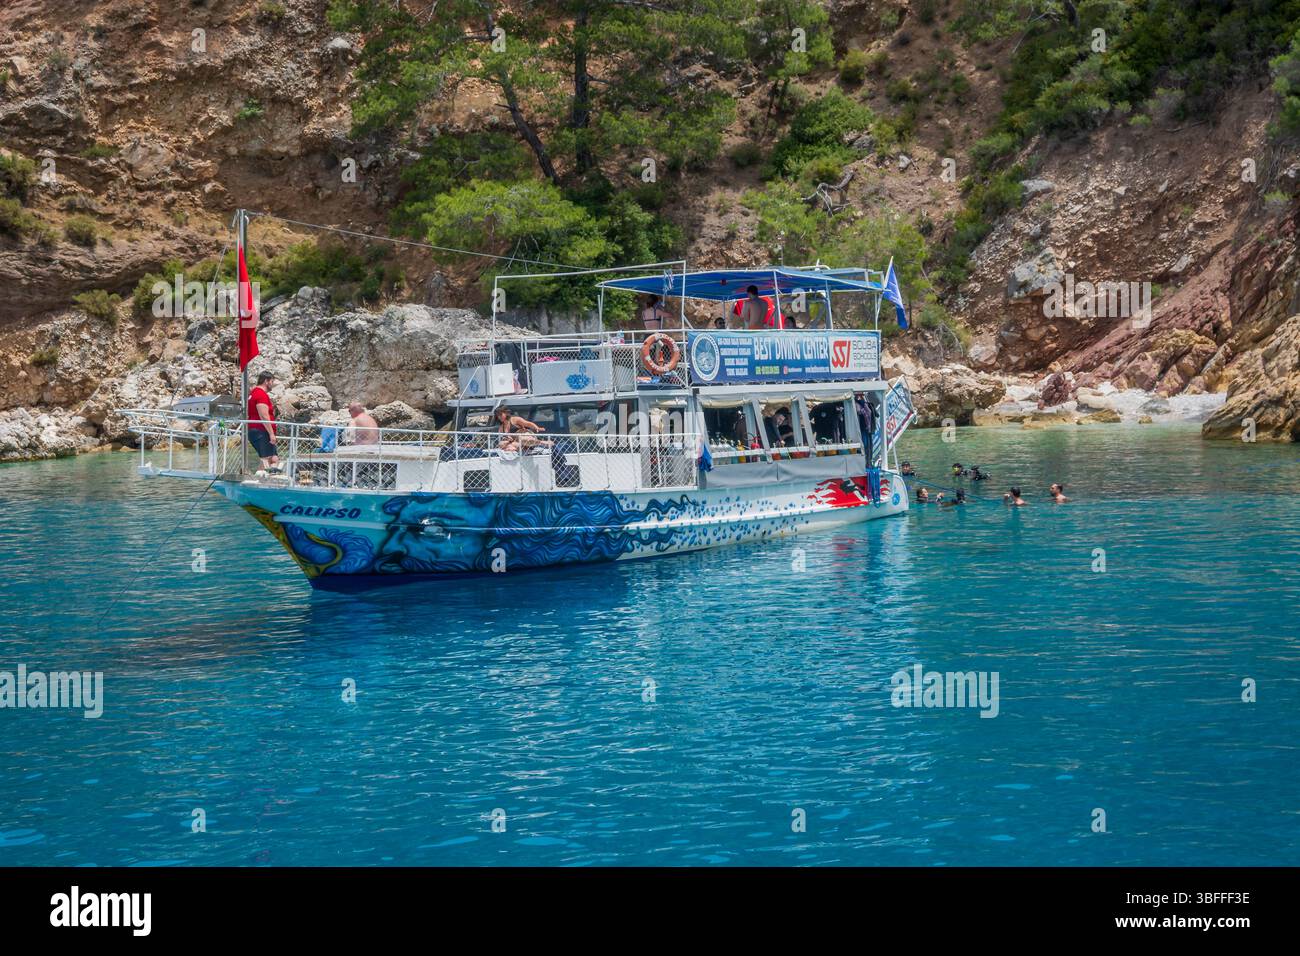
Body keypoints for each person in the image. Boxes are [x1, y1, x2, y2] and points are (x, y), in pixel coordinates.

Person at [247, 370, 279, 470]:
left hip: (257, 430)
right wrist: (271, 434)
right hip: (261, 431)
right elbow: (264, 415)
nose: (272, 385)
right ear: (266, 381)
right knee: (266, 459)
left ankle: (271, 478)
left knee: (274, 459)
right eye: (272, 382)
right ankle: (259, 479)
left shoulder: (253, 393)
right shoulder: (260, 394)